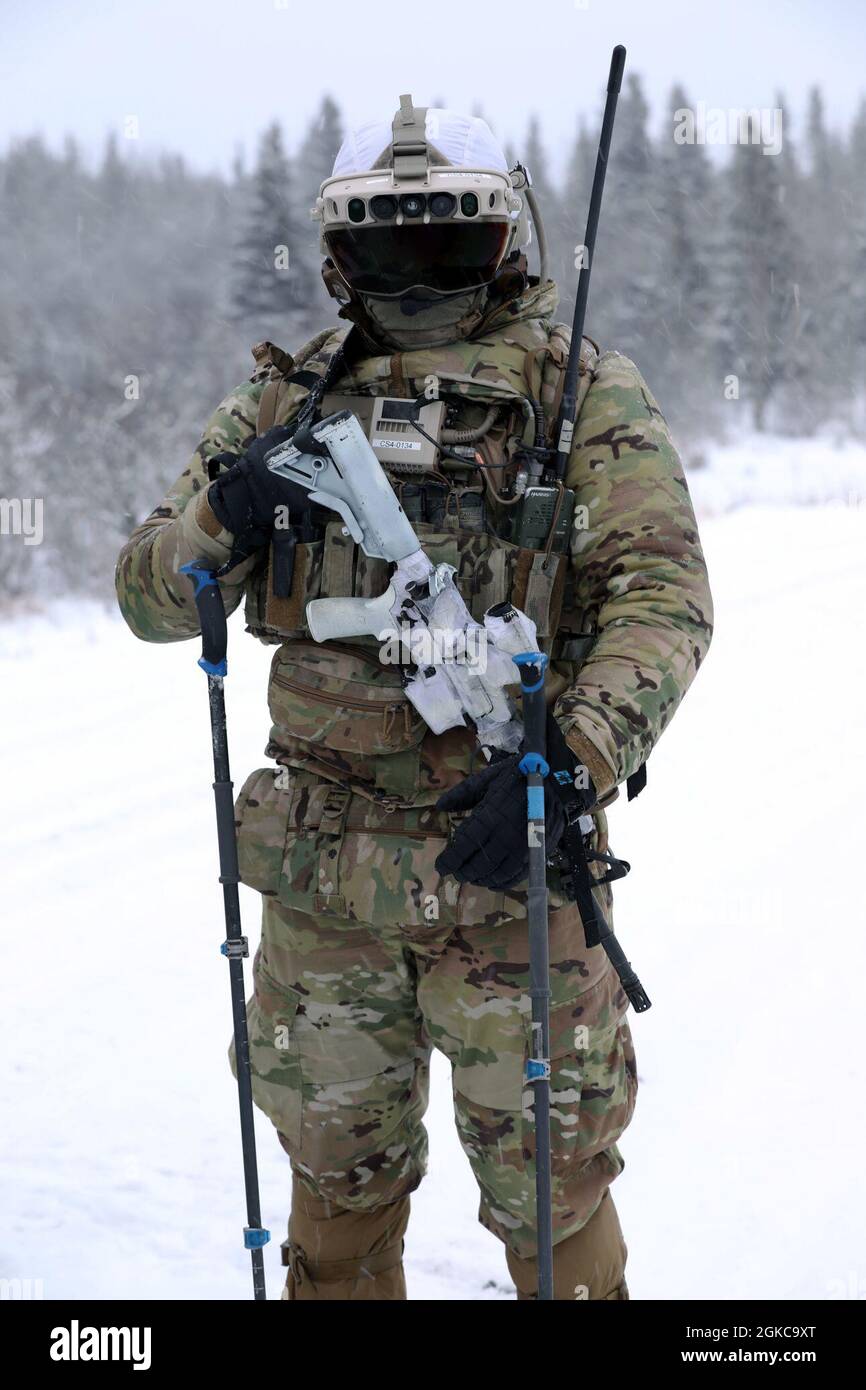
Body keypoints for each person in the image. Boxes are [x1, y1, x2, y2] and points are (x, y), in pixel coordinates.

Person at [116, 97, 713, 1300]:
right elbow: (147, 594)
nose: (417, 272)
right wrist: (219, 521)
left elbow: (662, 598)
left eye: (444, 242)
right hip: (323, 884)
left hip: (512, 866)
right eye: (389, 244)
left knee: (550, 1194)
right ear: (341, 256)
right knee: (333, 1186)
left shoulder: (575, 394)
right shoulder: (283, 409)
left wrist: (573, 749)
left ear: (504, 243)